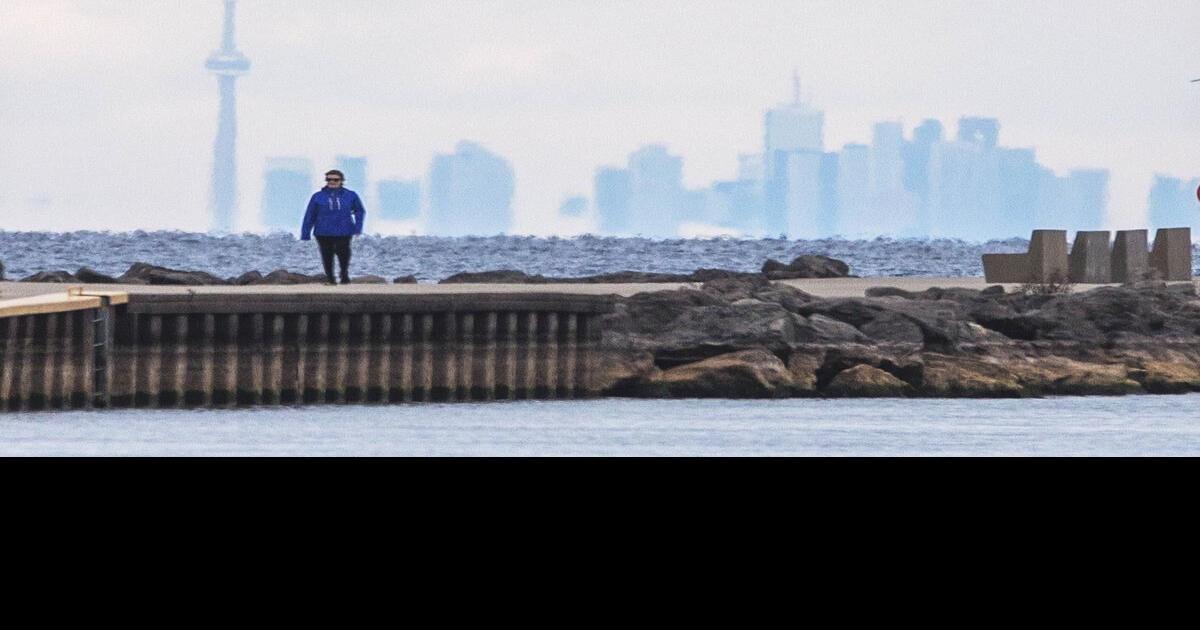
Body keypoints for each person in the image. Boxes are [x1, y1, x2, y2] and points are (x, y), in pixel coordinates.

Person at [301, 170, 366, 285]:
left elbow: (359, 211)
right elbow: (310, 215)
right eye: (329, 179)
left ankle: (344, 274)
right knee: (327, 255)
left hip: (344, 231)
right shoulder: (317, 196)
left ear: (341, 181)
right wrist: (305, 233)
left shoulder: (351, 195)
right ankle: (330, 278)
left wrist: (358, 227)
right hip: (323, 232)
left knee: (344, 254)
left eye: (335, 179)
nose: (332, 182)